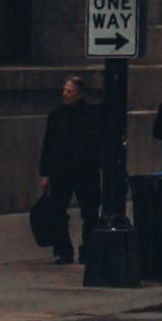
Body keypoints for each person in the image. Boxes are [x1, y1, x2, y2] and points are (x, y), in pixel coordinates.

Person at [31, 76, 100, 262]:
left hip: (85, 170)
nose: (65, 94)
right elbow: (49, 143)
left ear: (79, 93)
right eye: (64, 90)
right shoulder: (57, 115)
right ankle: (63, 251)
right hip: (61, 170)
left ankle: (88, 249)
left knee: (90, 211)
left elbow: (97, 142)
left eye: (69, 91)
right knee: (57, 210)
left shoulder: (93, 114)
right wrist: (45, 172)